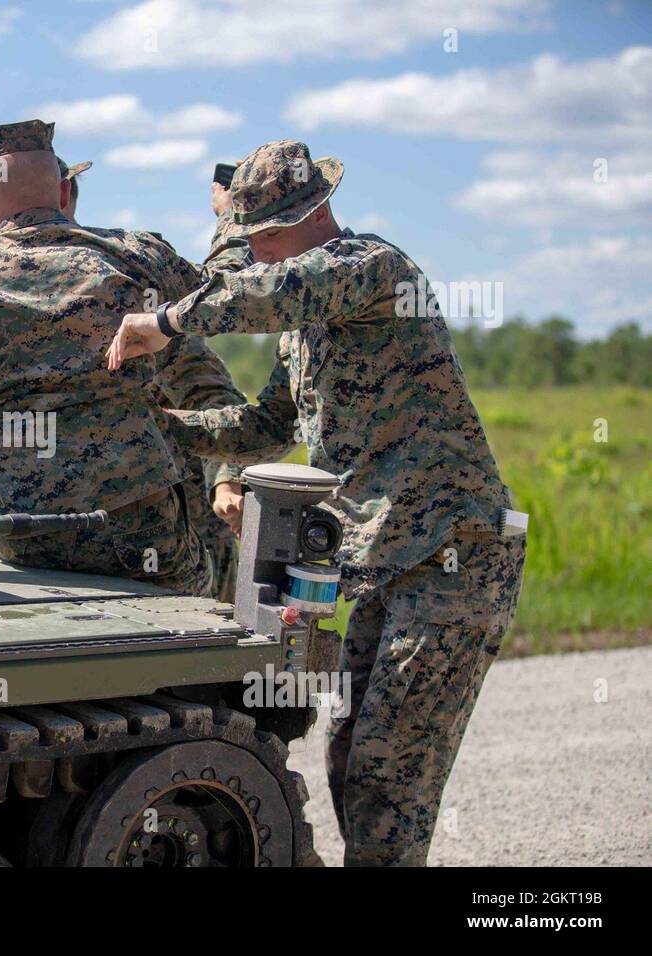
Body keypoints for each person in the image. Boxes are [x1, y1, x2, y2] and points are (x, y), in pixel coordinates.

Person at [106, 139, 526, 866]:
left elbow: (267, 293)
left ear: (316, 212)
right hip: (378, 559)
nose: (256, 254)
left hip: (450, 557)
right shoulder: (305, 327)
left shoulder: (372, 270)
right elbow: (265, 426)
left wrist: (166, 323)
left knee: (388, 781)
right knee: (349, 758)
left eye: (264, 237)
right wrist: (155, 428)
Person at [0, 119, 282, 597]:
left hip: (26, 538)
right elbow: (226, 287)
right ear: (63, 191)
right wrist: (229, 216)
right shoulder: (135, 255)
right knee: (204, 606)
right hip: (142, 532)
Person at [0, 154, 259, 600]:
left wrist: (227, 476)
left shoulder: (122, 287)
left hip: (155, 529)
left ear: (66, 205)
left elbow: (207, 388)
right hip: (38, 536)